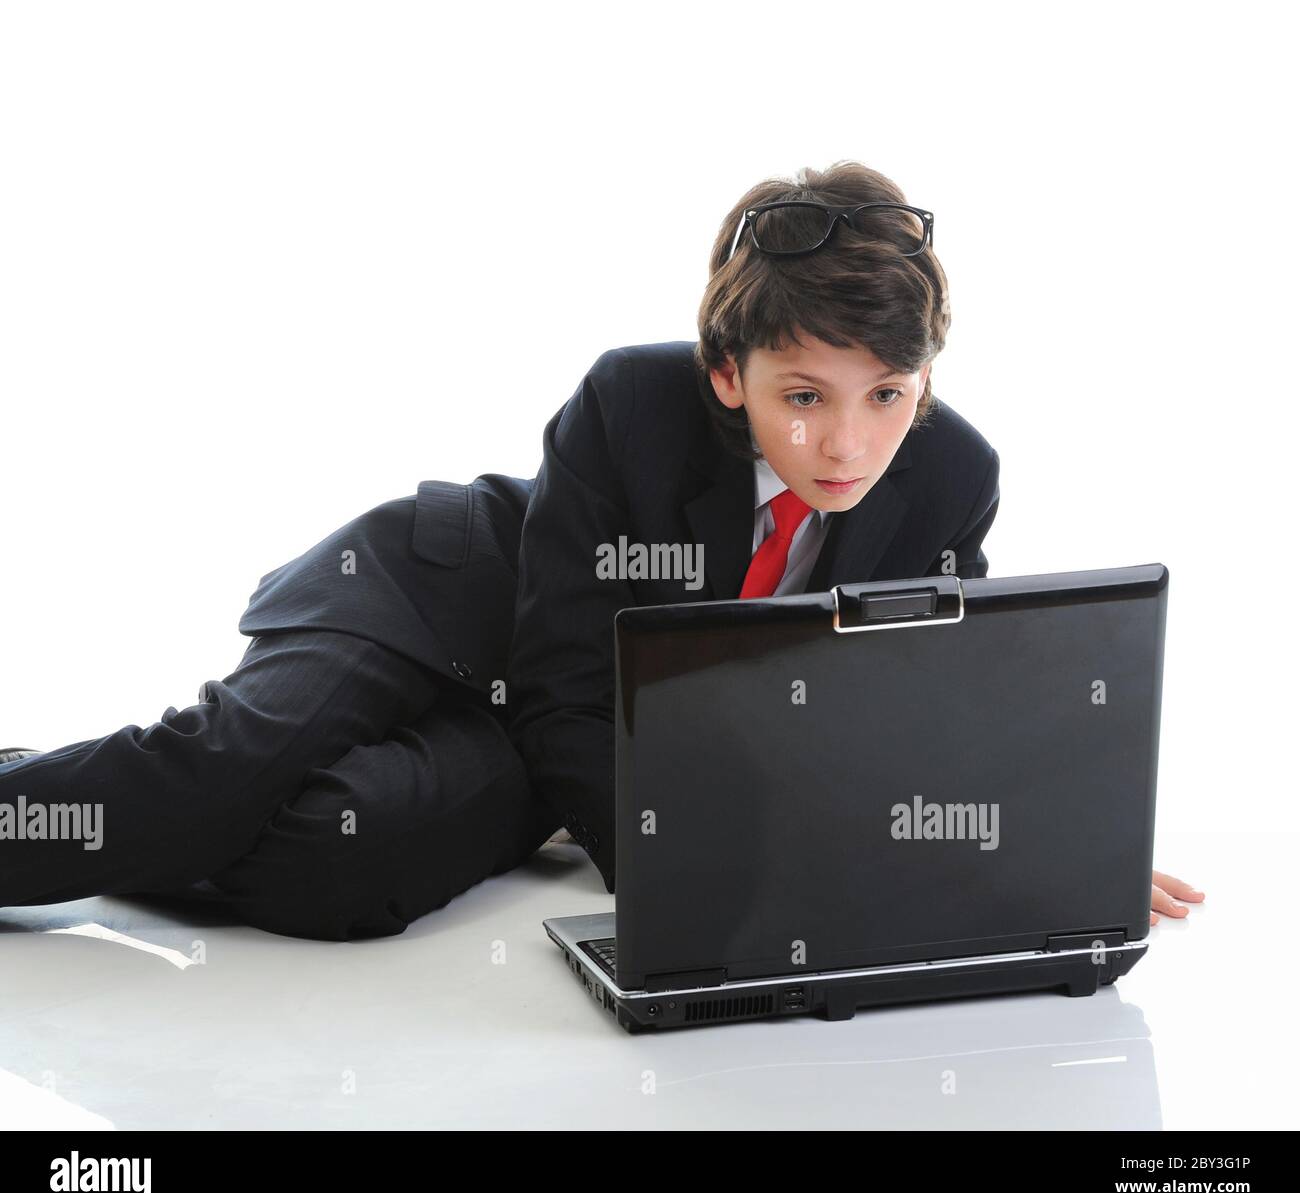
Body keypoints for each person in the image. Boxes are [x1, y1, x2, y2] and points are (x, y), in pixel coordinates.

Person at [0, 159, 1203, 937]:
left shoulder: (952, 477)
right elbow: (569, 663)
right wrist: (696, 886)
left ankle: (137, 809)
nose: (846, 444)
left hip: (566, 727)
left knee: (342, 867)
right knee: (227, 768)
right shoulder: (631, 400)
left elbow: (909, 708)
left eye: (886, 394)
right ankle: (93, 806)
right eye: (803, 396)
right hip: (434, 603)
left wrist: (1032, 850)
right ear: (728, 375)